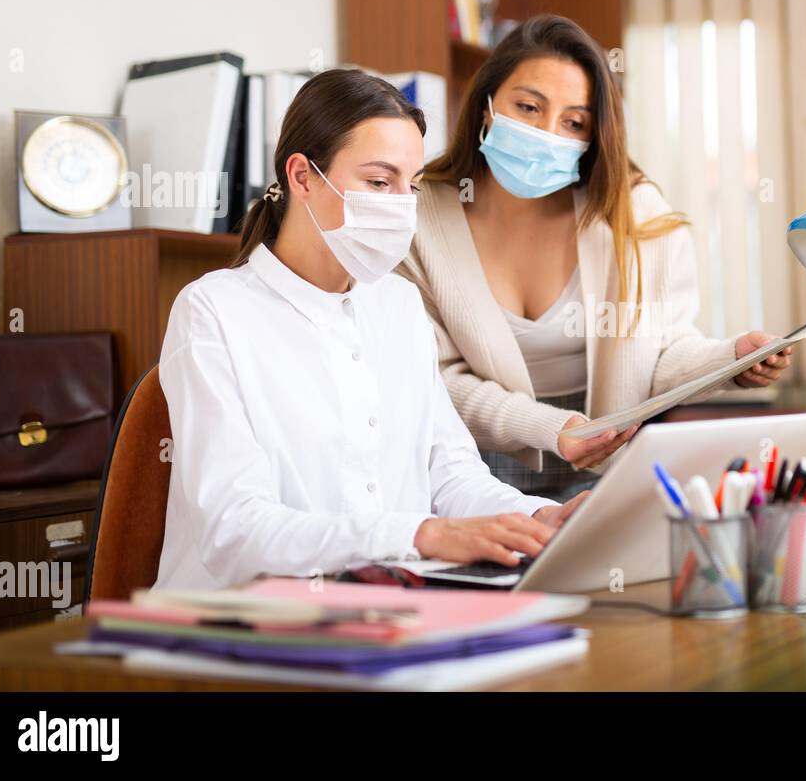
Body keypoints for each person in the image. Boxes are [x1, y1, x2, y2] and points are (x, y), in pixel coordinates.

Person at [154, 68, 584, 591]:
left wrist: (537, 518)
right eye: (379, 182)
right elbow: (236, 530)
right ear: (303, 176)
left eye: (413, 184)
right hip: (239, 620)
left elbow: (450, 475)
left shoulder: (398, 304)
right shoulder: (213, 310)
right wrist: (420, 535)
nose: (402, 203)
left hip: (381, 606)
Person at [401, 14, 793, 503]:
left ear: (592, 137)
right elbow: (432, 376)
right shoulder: (419, 216)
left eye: (574, 122)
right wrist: (553, 428)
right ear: (486, 107)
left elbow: (661, 353)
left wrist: (731, 359)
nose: (548, 133)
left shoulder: (634, 214)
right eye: (527, 107)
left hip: (606, 467)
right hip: (462, 471)